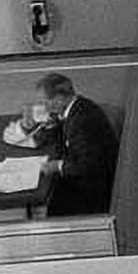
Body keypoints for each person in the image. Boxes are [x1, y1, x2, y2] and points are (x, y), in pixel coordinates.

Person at [19, 73, 119, 216]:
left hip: (93, 191)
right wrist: (51, 126)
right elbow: (65, 142)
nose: (44, 107)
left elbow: (87, 166)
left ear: (59, 99)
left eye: (46, 101)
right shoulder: (75, 109)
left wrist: (58, 166)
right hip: (85, 179)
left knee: (53, 205)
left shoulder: (83, 120)